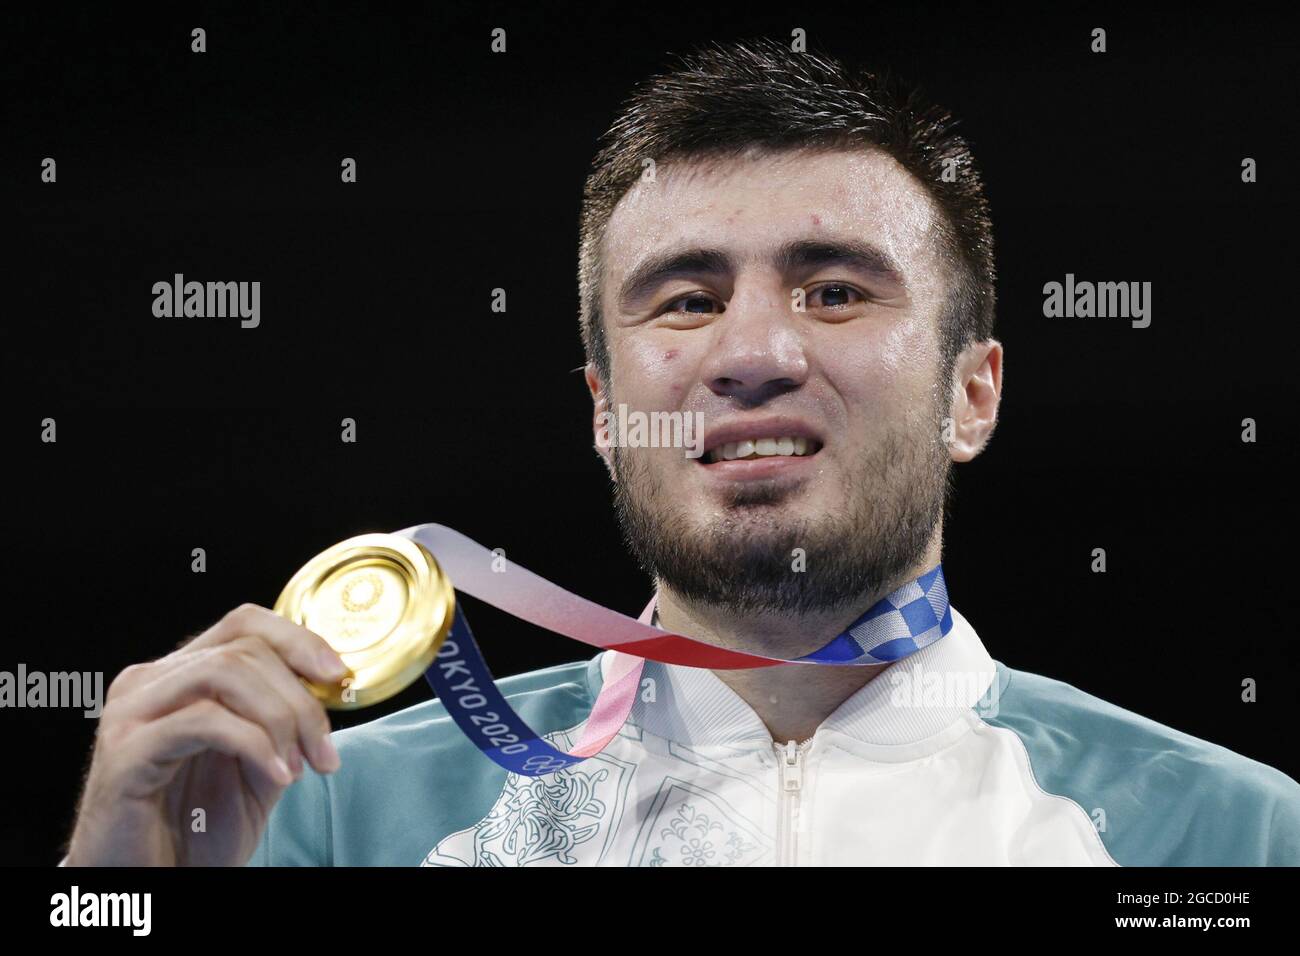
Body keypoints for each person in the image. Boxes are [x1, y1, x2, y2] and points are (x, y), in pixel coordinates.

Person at [63, 38, 1299, 867]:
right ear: (604, 410)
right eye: (687, 298)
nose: (752, 349)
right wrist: (106, 891)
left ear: (971, 393)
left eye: (832, 289)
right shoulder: (329, 811)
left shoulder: (1224, 837)